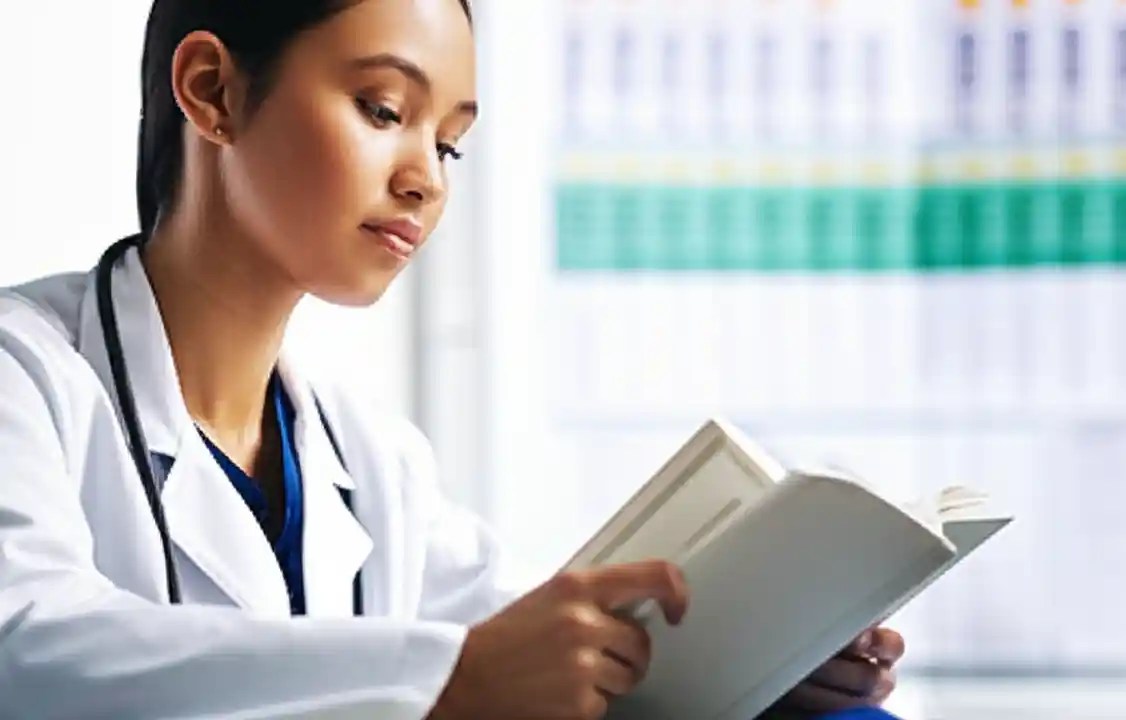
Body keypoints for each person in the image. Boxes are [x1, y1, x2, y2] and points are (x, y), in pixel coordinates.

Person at [0, 1, 904, 717]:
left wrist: (756, 664)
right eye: (384, 110)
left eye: (447, 142)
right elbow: (25, 648)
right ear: (213, 91)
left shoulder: (371, 460)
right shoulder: (26, 374)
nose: (426, 180)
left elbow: (536, 651)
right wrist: (446, 681)